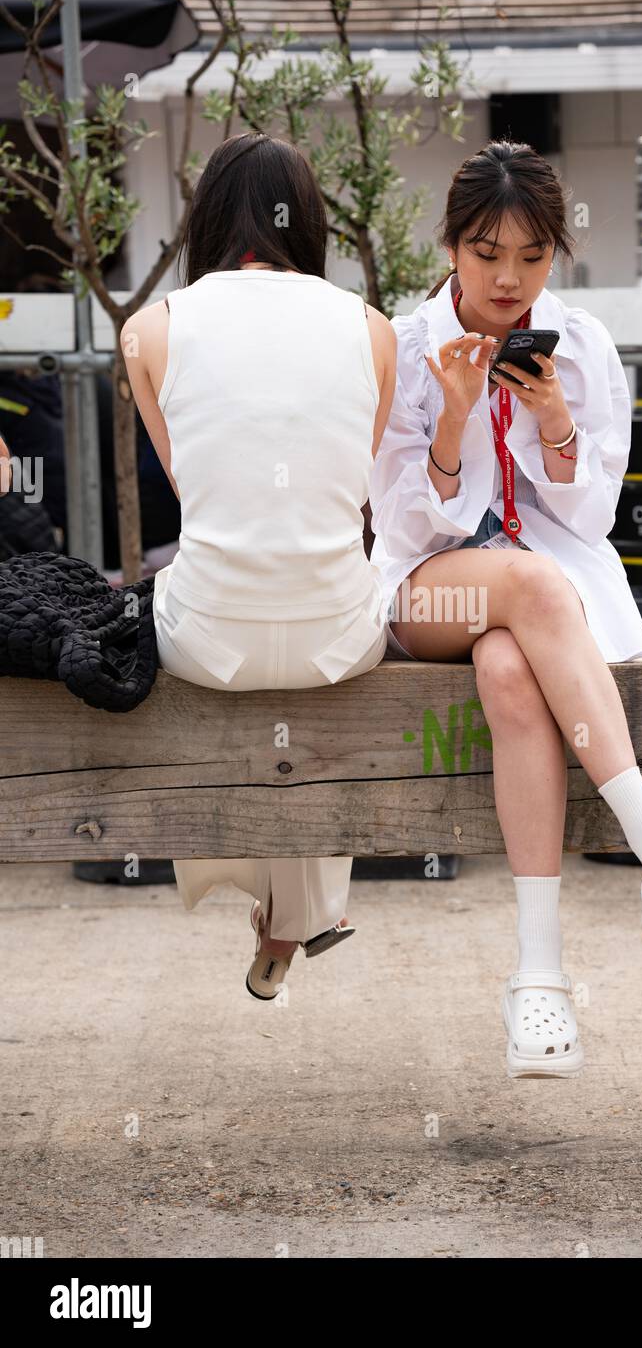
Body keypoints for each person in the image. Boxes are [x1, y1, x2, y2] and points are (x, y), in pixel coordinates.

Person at [368, 140, 642, 1081]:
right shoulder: (403, 350)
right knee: (525, 590)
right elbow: (406, 519)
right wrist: (454, 417)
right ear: (450, 245)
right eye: (487, 253)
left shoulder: (581, 344)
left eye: (531, 258)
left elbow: (590, 514)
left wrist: (552, 422)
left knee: (507, 663)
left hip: (545, 589)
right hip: (430, 588)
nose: (508, 278)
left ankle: (538, 981)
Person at [122, 132, 397, 1001]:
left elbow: (194, 489)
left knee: (242, 598)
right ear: (308, 224)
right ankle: (296, 915)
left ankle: (288, 917)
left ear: (203, 220)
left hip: (207, 639)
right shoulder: (372, 328)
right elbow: (346, 496)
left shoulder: (149, 329)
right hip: (340, 639)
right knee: (305, 610)